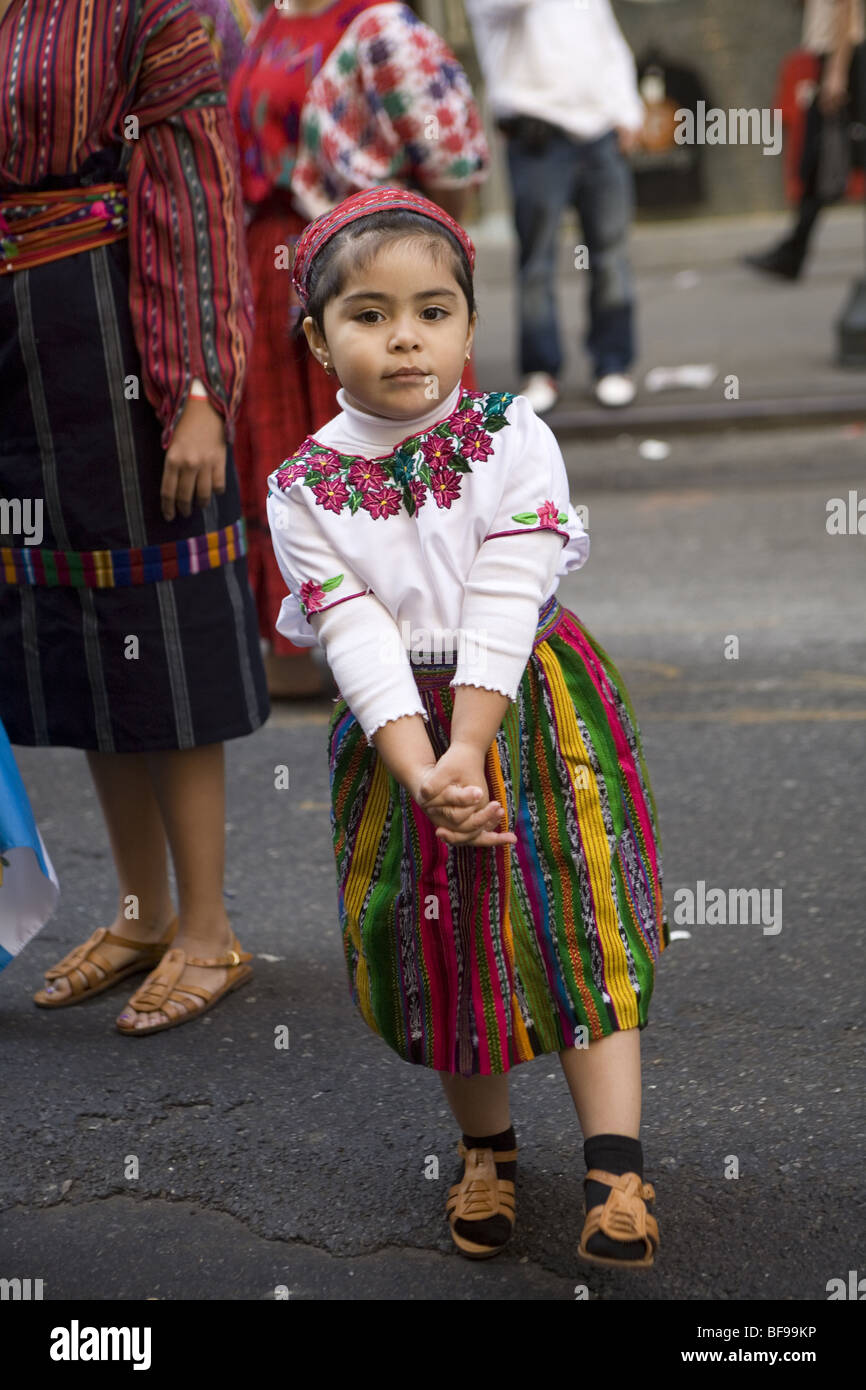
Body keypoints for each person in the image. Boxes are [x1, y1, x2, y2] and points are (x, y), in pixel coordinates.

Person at [266, 187, 667, 1264]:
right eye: (368, 313)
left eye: (433, 310)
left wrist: (468, 743)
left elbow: (506, 587)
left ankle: (613, 1165)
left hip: (531, 705)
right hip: (401, 739)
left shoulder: (511, 435)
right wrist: (422, 769)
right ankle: (486, 1150)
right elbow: (350, 633)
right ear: (315, 335)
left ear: (469, 326)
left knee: (580, 923)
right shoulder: (301, 487)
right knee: (438, 938)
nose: (405, 335)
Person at [0, 0, 269, 1034]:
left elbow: (195, 200)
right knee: (76, 630)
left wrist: (197, 391)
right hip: (22, 356)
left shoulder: (156, 12)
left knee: (162, 629)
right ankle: (141, 911)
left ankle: (208, 927)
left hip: (124, 341)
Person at [229, 0, 488, 699]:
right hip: (273, 258)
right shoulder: (269, 23)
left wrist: (413, 267)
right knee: (295, 453)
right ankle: (303, 644)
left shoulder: (379, 26)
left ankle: (421, 655)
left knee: (396, 454)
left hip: (366, 266)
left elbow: (452, 157)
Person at [463, 0, 645, 413]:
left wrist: (627, 109)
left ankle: (613, 363)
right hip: (537, 138)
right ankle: (540, 368)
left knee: (611, 256)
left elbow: (608, 43)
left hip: (601, 134)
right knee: (537, 262)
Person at [744, 0, 865, 280]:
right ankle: (792, 251)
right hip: (835, 58)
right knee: (817, 163)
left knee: (825, 156)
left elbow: (846, 5)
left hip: (844, 60)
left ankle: (792, 252)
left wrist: (837, 71)